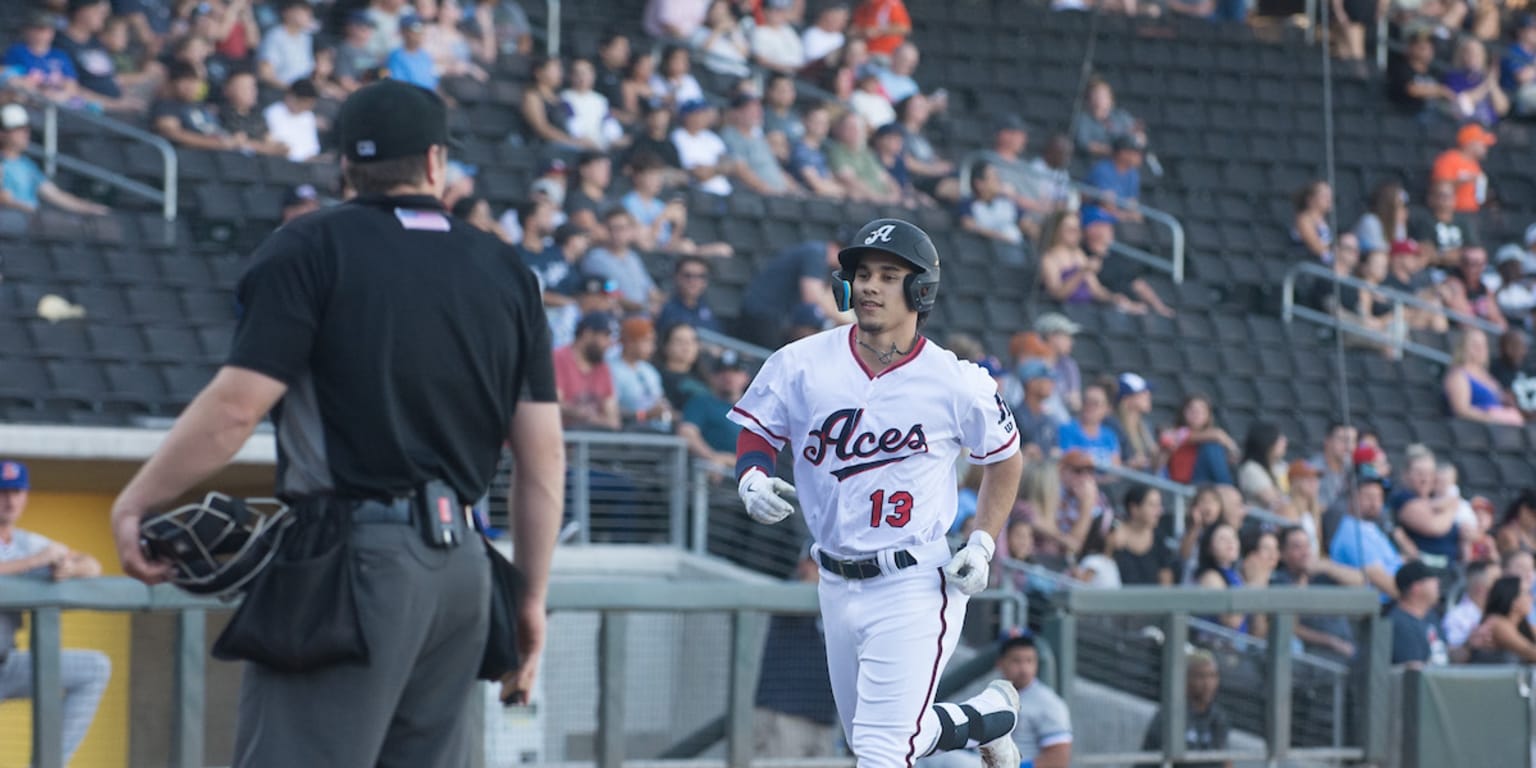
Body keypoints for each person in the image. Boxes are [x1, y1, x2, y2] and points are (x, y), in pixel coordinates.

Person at [108, 80, 563, 767]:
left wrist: (136, 500)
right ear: (436, 162)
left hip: (353, 564)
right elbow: (543, 458)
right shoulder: (505, 269)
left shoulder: (310, 246)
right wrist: (530, 599)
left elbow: (236, 409)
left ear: (343, 165)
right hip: (463, 573)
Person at [729, 218, 1026, 766]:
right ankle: (986, 717)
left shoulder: (954, 380)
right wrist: (750, 476)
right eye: (862, 273)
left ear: (920, 290)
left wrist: (982, 543)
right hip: (834, 582)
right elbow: (759, 430)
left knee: (881, 750)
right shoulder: (802, 361)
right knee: (881, 733)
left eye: (889, 275)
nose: (869, 285)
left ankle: (982, 718)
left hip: (914, 581)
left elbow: (1005, 461)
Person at [0, 460, 112, 766]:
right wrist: (34, 562)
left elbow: (93, 565)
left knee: (94, 668)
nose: (9, 500)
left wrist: (70, 567)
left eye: (16, 492)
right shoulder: (31, 552)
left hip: (6, 663)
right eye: (3, 492)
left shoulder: (24, 541)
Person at [754, 546, 840, 756]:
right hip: (784, 717)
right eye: (815, 563)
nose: (821, 570)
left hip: (823, 720)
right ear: (802, 564)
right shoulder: (789, 592)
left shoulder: (841, 603)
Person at [0, 104, 111, 218]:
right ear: (2, 134)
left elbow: (55, 195)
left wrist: (89, 208)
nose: (25, 134)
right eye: (18, 130)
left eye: (26, 129)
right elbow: (5, 199)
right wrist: (26, 209)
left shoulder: (27, 164)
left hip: (28, 225)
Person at [738, 239, 845, 348]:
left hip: (777, 314)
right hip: (763, 311)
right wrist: (842, 321)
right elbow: (812, 297)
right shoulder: (815, 253)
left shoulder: (822, 259)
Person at [1139, 651, 1230, 768]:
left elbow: (1225, 760)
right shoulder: (1170, 715)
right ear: (1186, 678)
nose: (1208, 684)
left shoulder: (1219, 717)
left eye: (1212, 676)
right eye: (1201, 676)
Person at [996, 632, 1072, 768]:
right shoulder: (994, 695)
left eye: (1029, 660)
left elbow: (1058, 759)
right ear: (1001, 663)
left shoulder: (1048, 702)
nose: (1024, 669)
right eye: (1016, 661)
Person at [555, 312, 622, 430]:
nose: (609, 344)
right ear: (588, 334)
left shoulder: (603, 367)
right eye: (605, 336)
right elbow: (552, 404)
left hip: (593, 441)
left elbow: (613, 419)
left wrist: (590, 418)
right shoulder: (558, 358)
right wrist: (578, 412)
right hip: (561, 437)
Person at [1444, 328, 1524, 426]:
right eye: (1475, 345)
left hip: (1498, 430)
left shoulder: (1488, 376)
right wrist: (1491, 418)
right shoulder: (1458, 375)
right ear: (1464, 347)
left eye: (1483, 345)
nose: (1480, 349)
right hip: (1476, 430)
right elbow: (1461, 410)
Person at [1111, 485, 1175, 586]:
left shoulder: (1158, 536)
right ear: (1134, 508)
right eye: (1152, 505)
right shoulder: (1114, 536)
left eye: (1159, 505)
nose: (1159, 511)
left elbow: (1166, 575)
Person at [1389, 560, 1449, 667]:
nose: (1437, 583)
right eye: (1432, 579)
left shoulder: (1431, 616)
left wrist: (1469, 646)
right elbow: (1414, 670)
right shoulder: (1398, 623)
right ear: (1416, 588)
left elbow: (1444, 655)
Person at [1468, 575, 1536, 664]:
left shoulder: (1523, 624)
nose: (1531, 598)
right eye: (1526, 593)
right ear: (1512, 598)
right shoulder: (1497, 623)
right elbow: (1530, 652)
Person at [1057, 382, 1121, 468]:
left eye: (1095, 403)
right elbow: (1067, 462)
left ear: (1107, 409)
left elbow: (1116, 469)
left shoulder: (1109, 435)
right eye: (1086, 401)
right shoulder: (1067, 430)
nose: (1089, 406)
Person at [1443, 559, 1500, 650]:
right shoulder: (1456, 617)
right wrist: (1469, 644)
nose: (1502, 586)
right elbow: (1452, 654)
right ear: (1480, 588)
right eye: (1497, 581)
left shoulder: (1503, 613)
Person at [1235, 422, 1288, 510]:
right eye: (1279, 438)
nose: (1284, 441)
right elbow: (1275, 502)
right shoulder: (1250, 469)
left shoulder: (1281, 466)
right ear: (1267, 442)